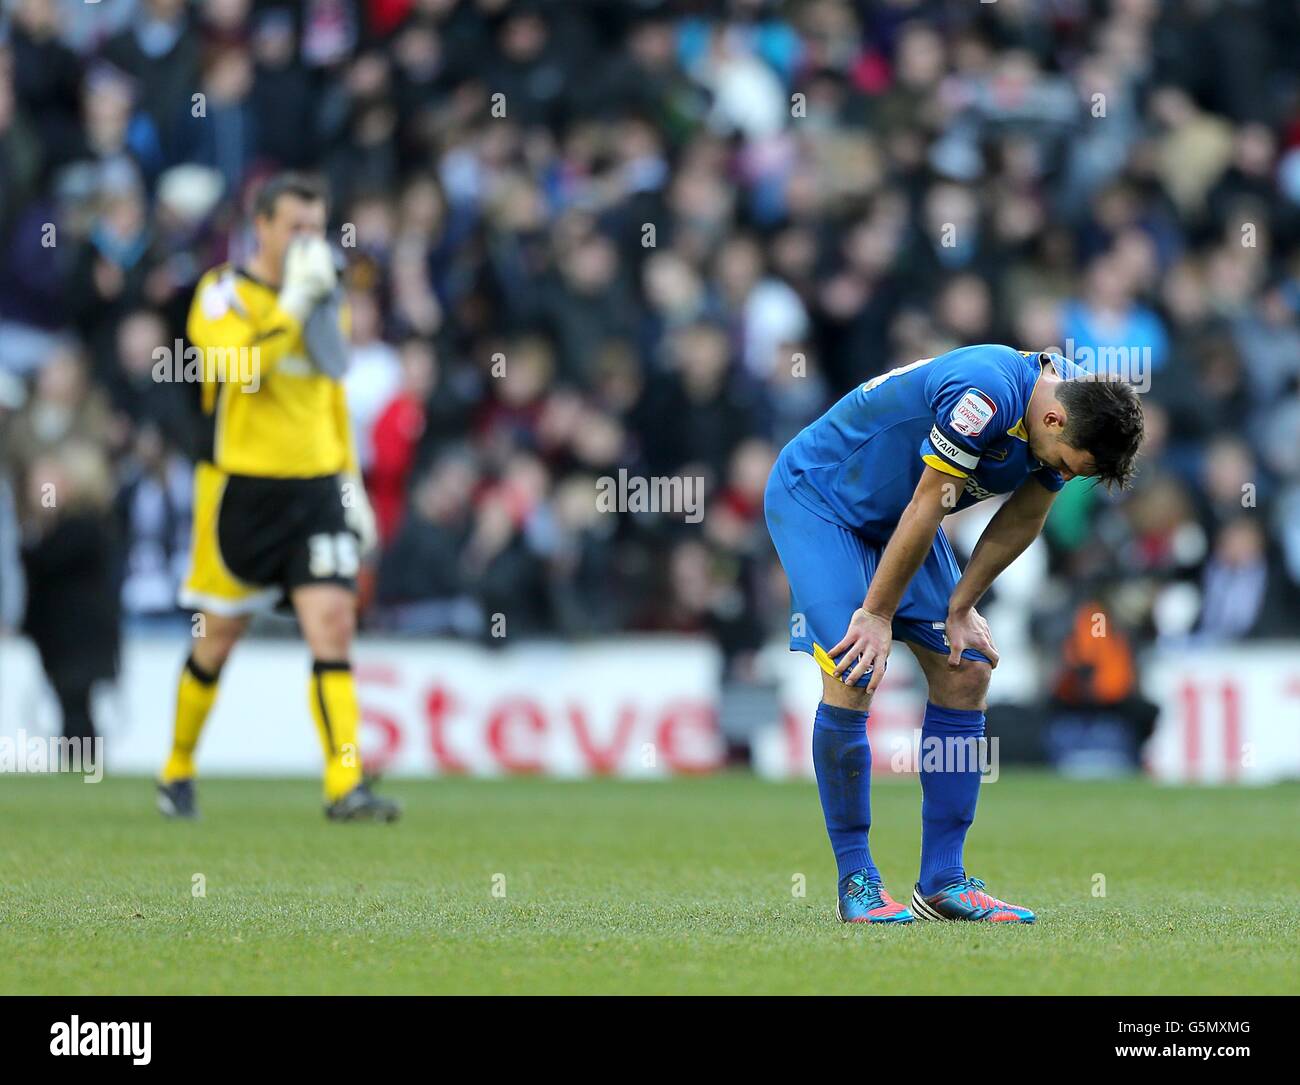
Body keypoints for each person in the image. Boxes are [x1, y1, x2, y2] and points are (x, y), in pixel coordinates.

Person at [765, 345, 1143, 923]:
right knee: (854, 667)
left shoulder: (1067, 408)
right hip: (823, 500)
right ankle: (857, 881)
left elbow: (1024, 517)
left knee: (967, 670)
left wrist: (962, 606)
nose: (1062, 475)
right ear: (1052, 420)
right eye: (1068, 465)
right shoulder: (984, 395)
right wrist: (876, 614)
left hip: (899, 520)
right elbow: (928, 503)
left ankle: (943, 881)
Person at [156, 172, 398, 822]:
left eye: (315, 229)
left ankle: (345, 785)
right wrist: (292, 303)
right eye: (294, 227)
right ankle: (177, 768)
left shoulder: (327, 296)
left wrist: (350, 483)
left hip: (316, 485)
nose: (307, 241)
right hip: (244, 486)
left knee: (333, 623)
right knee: (219, 636)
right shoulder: (222, 293)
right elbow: (239, 369)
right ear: (259, 225)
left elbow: (330, 392)